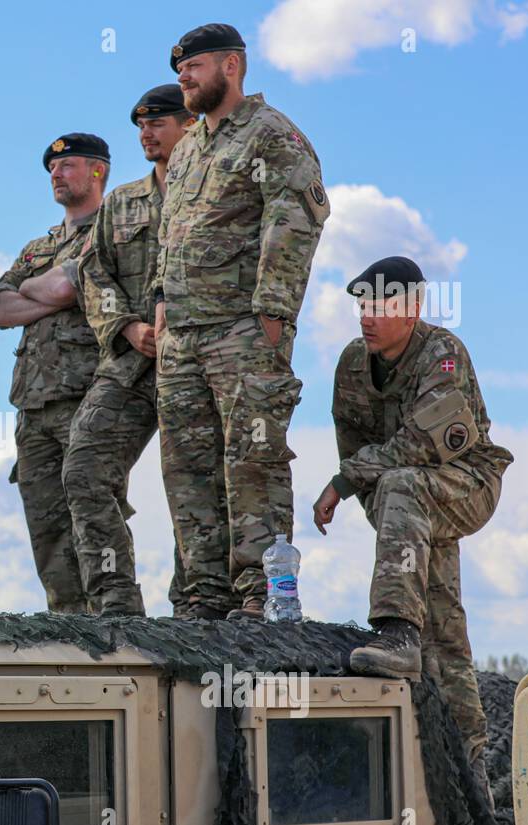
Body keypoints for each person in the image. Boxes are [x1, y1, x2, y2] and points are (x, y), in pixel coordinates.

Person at [313, 255, 512, 803]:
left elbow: (423, 443)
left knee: (403, 482)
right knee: (444, 627)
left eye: (381, 305)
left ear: (414, 307)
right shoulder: (353, 364)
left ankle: (396, 629)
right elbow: (351, 440)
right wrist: (367, 493)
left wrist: (344, 481)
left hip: (467, 483)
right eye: (362, 305)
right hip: (405, 504)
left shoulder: (443, 354)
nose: (367, 317)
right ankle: (472, 774)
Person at [154, 23, 329, 619]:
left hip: (241, 332)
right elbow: (169, 237)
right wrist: (160, 303)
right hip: (182, 337)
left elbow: (295, 223)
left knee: (252, 462)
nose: (184, 77)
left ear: (232, 66)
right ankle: (204, 595)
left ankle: (261, 595)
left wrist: (273, 315)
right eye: (181, 69)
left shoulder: (271, 135)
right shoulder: (187, 150)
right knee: (187, 469)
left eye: (194, 66)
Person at [70, 86, 195, 617]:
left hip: (198, 360)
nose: (146, 134)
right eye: (140, 126)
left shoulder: (213, 189)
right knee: (84, 466)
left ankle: (198, 601)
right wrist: (125, 325)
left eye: (158, 123)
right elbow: (91, 270)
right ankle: (116, 600)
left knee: (194, 482)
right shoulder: (121, 201)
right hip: (130, 363)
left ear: (190, 126)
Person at [0, 134, 110, 613]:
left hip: (87, 397)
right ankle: (68, 623)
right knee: (46, 522)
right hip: (33, 405)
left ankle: (112, 620)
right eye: (52, 168)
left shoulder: (111, 230)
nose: (57, 174)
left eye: (69, 166)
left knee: (95, 513)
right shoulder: (40, 246)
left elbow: (67, 287)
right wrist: (51, 291)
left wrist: (42, 292)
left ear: (98, 170)